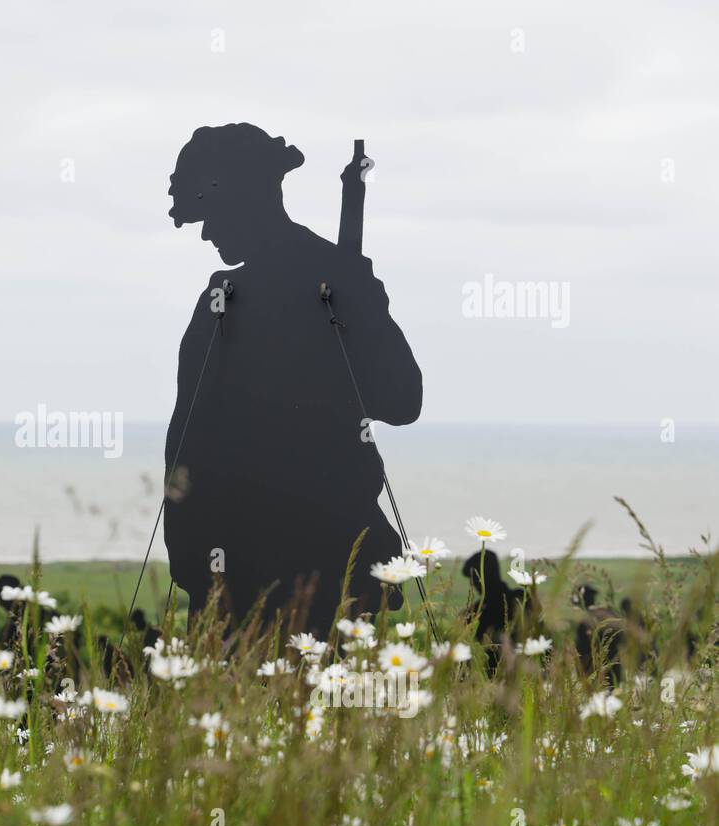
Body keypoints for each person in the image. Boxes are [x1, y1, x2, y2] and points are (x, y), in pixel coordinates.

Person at [164, 124, 422, 634]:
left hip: (298, 565)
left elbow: (401, 400)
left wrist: (357, 311)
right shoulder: (237, 293)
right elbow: (189, 438)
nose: (206, 234)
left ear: (247, 201)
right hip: (260, 567)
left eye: (211, 216)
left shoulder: (241, 296)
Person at [463, 550, 524, 675]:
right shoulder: (521, 598)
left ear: (485, 574)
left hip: (496, 677)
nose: (472, 583)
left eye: (474, 577)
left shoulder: (476, 612)